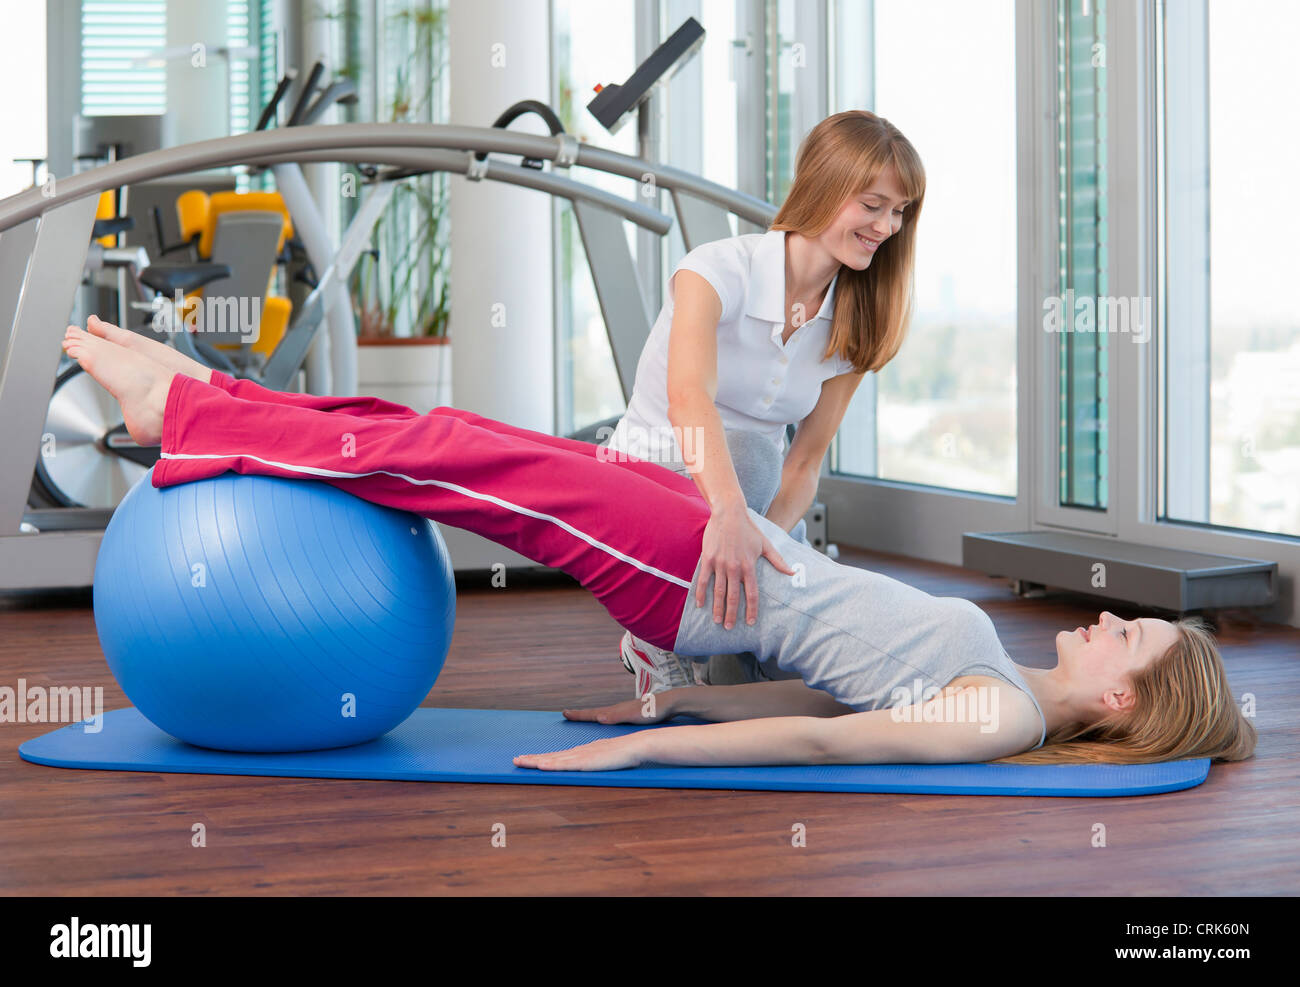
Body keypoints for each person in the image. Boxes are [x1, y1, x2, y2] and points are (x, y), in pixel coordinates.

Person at [62, 317, 1256, 771]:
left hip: (689, 586)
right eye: (1128, 619)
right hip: (704, 548)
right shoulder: (995, 666)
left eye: (1129, 637)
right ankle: (202, 398)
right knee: (451, 433)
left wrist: (643, 761)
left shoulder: (997, 716)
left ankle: (189, 414)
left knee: (443, 461)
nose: (1108, 620)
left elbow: (828, 741)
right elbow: (825, 702)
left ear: (1115, 700)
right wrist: (671, 714)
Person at [601, 110, 926, 695]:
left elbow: (804, 464)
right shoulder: (715, 270)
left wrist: (763, 549)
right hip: (653, 478)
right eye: (873, 205)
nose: (888, 226)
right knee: (750, 452)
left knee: (805, 669)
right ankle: (651, 638)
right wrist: (729, 517)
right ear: (824, 186)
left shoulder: (858, 321)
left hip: (747, 505)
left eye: (900, 211)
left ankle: (731, 645)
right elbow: (688, 400)